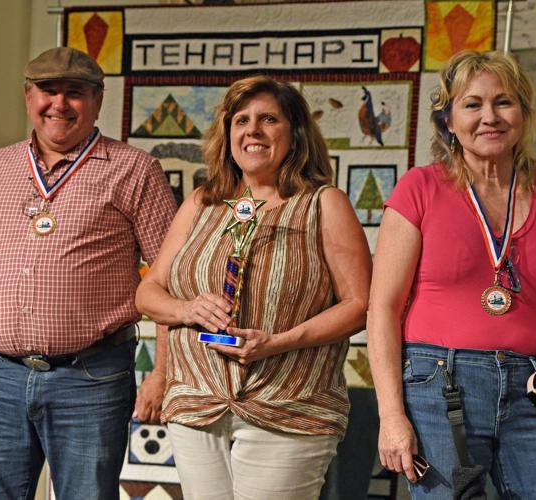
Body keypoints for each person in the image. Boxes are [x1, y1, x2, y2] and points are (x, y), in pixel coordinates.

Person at [367, 50, 536, 499]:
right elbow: (381, 308)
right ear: (450, 120)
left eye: (504, 102)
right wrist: (391, 417)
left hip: (535, 388)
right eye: (472, 104)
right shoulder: (419, 188)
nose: (489, 117)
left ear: (524, 114)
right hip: (439, 384)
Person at [0, 47, 177, 499]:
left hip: (92, 378)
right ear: (28, 96)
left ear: (97, 100)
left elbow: (171, 280)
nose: (59, 104)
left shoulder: (135, 171)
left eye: (74, 93)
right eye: (48, 91)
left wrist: (162, 373)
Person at [134, 75, 372, 500]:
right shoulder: (202, 203)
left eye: (268, 119)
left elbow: (359, 305)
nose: (252, 131)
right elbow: (148, 292)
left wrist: (278, 341)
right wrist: (188, 309)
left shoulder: (324, 203)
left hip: (288, 404)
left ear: (295, 133)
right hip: (197, 405)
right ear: (227, 135)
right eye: (240, 120)